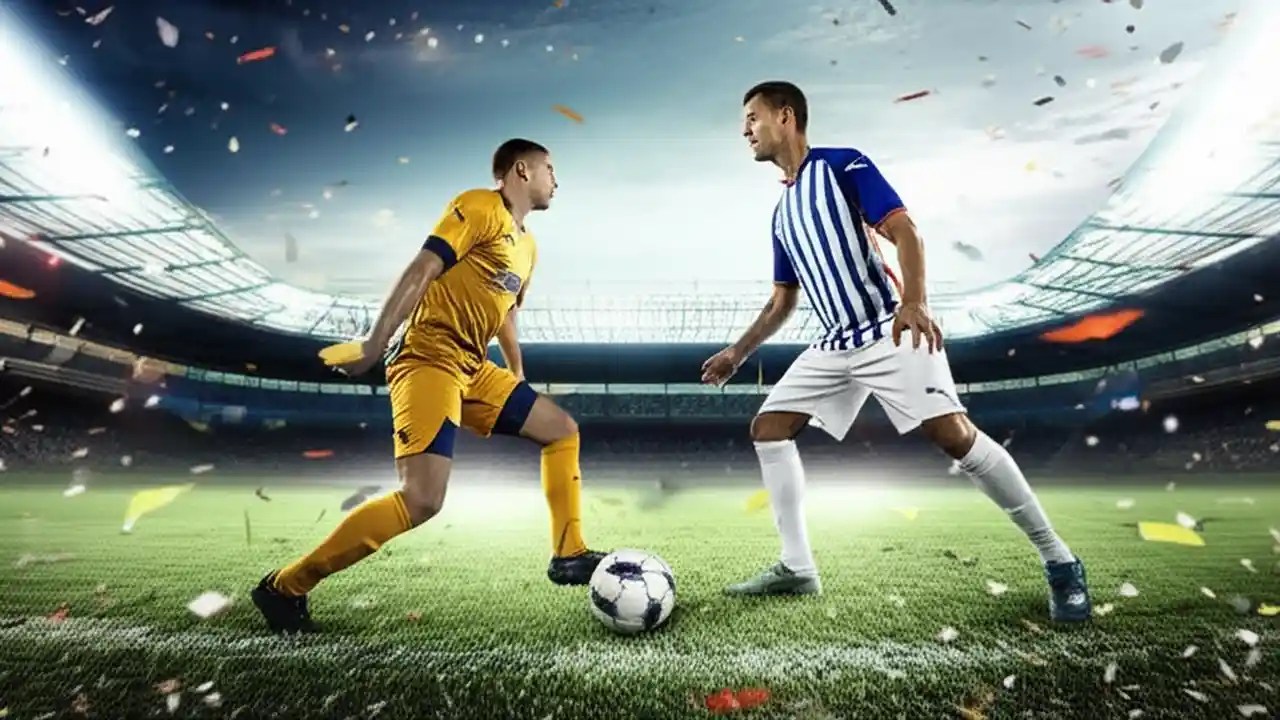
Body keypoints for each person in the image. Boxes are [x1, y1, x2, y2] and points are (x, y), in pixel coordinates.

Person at [701, 82, 1091, 622]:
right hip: (835, 343)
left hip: (888, 326)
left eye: (751, 118)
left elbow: (905, 231)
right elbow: (780, 301)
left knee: (952, 434)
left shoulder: (843, 166)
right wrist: (738, 352)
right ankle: (798, 567)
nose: (744, 130)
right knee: (767, 428)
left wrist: (915, 301)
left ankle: (1060, 561)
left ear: (785, 117)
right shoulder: (781, 213)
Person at [252, 138, 608, 634]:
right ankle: (285, 586)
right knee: (422, 500)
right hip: (427, 357)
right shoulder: (478, 205)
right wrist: (374, 346)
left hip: (472, 365)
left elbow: (504, 314)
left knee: (561, 429)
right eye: (551, 168)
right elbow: (424, 268)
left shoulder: (528, 246)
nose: (556, 179)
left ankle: (568, 555)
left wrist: (517, 375)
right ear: (521, 171)